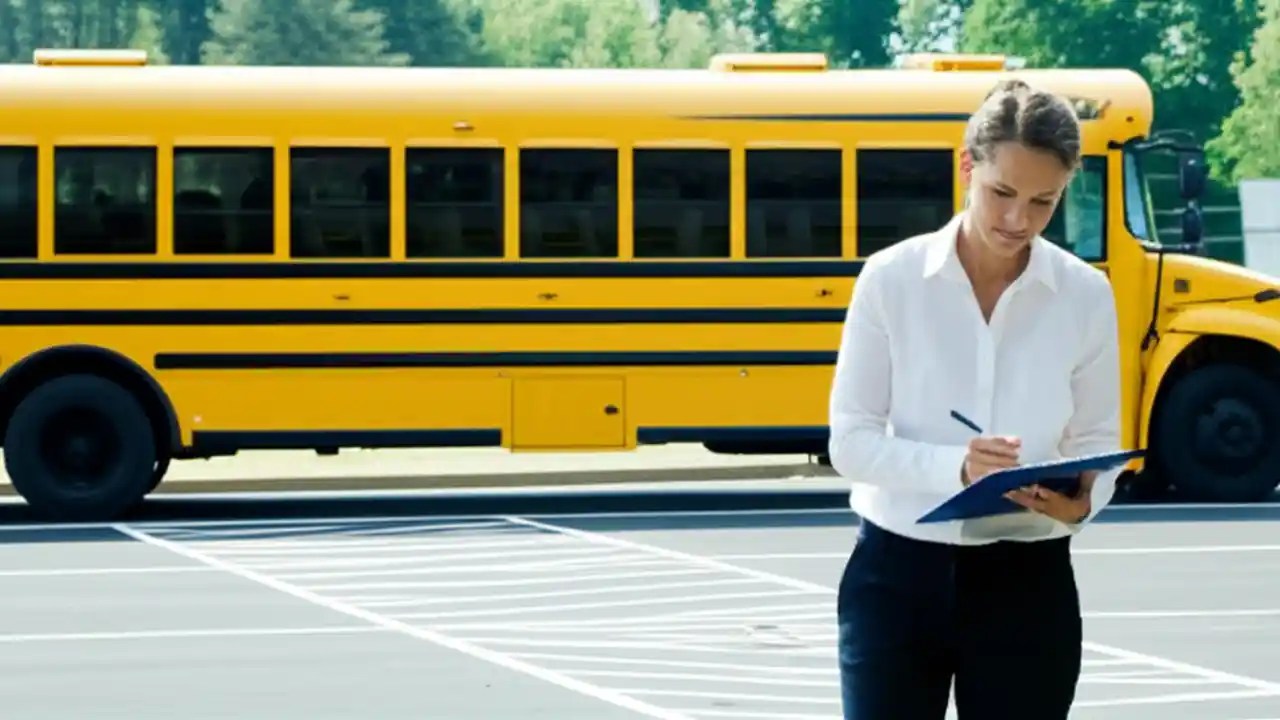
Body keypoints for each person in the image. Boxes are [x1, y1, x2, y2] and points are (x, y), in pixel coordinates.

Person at [827, 78, 1123, 720]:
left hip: (1029, 580)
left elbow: (1099, 444)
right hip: (896, 579)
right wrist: (956, 468)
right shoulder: (890, 279)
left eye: (1044, 201)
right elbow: (849, 442)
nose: (1019, 220)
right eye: (1002, 193)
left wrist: (1081, 503)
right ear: (967, 165)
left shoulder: (1085, 296)